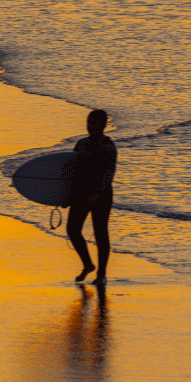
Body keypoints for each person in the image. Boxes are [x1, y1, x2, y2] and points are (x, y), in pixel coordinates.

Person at [66, 109, 116, 289]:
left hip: (102, 194)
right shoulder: (81, 144)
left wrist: (97, 191)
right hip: (81, 192)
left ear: (103, 125)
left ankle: (102, 274)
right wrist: (66, 195)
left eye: (94, 123)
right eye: (89, 122)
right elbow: (73, 171)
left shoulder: (108, 145)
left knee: (100, 232)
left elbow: (109, 172)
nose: (90, 126)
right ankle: (88, 264)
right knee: (72, 230)